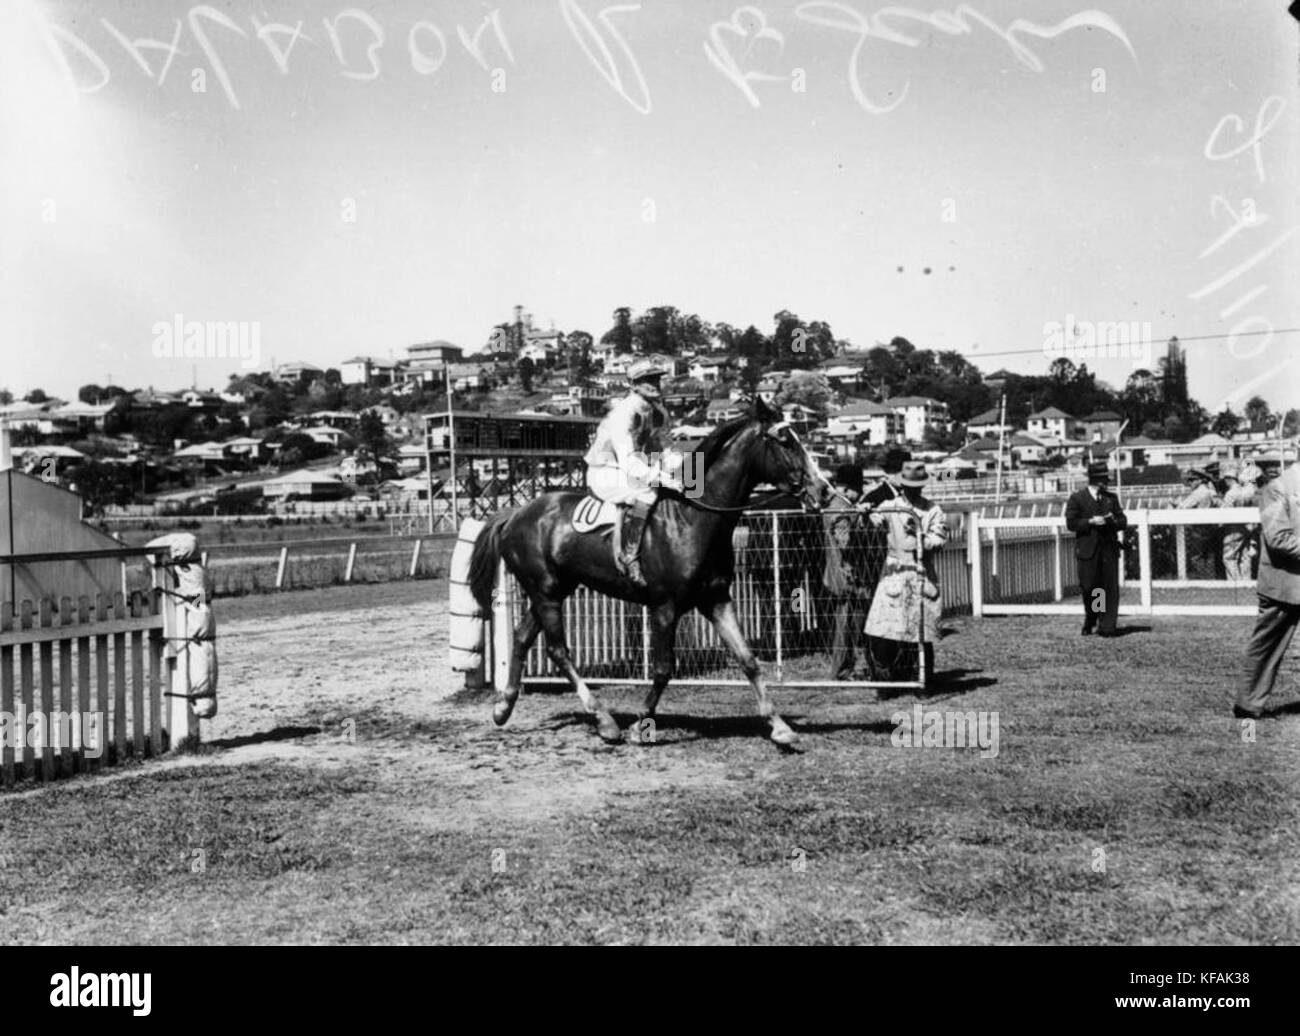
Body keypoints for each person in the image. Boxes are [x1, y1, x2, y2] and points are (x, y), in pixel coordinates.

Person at [583, 357, 679, 583]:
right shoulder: (623, 413)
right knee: (649, 492)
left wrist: (691, 471)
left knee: (691, 487)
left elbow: (666, 451)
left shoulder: (659, 411)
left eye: (656, 378)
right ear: (633, 385)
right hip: (606, 470)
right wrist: (663, 478)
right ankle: (630, 555)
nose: (655, 383)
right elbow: (629, 461)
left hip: (634, 469)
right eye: (647, 380)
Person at [863, 460, 948, 683]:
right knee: (885, 632)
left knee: (921, 633)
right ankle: (885, 681)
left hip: (921, 571)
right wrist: (867, 514)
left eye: (916, 486)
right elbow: (876, 520)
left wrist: (920, 536)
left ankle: (922, 680)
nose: (912, 490)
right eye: (908, 486)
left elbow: (939, 539)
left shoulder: (933, 510)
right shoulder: (889, 505)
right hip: (894, 573)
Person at [1234, 460, 1300, 718]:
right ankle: (1247, 706)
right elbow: (1278, 538)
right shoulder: (1277, 488)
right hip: (1283, 585)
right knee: (1267, 647)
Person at [1065, 461, 1128, 637]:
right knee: (1091, 588)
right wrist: (1090, 522)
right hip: (1088, 551)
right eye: (1102, 479)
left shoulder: (1111, 498)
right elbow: (1071, 523)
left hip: (1108, 550)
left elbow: (1123, 520)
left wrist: (1111, 521)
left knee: (1108, 588)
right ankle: (1092, 617)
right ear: (1094, 480)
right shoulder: (1077, 498)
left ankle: (1106, 626)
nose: (1106, 482)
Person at [823, 463, 872, 680]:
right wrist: (860, 519)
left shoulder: (834, 505)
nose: (860, 493)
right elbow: (846, 543)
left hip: (838, 572)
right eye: (857, 489)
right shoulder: (841, 509)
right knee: (846, 626)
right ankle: (842, 670)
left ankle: (845, 668)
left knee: (848, 624)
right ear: (847, 488)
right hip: (845, 574)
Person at [1221, 462, 1261, 583]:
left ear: (1229, 479)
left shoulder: (1230, 494)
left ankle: (1234, 582)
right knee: (1245, 556)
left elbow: (1224, 512)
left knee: (1229, 557)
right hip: (1247, 527)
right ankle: (1246, 582)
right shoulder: (1245, 492)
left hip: (1233, 528)